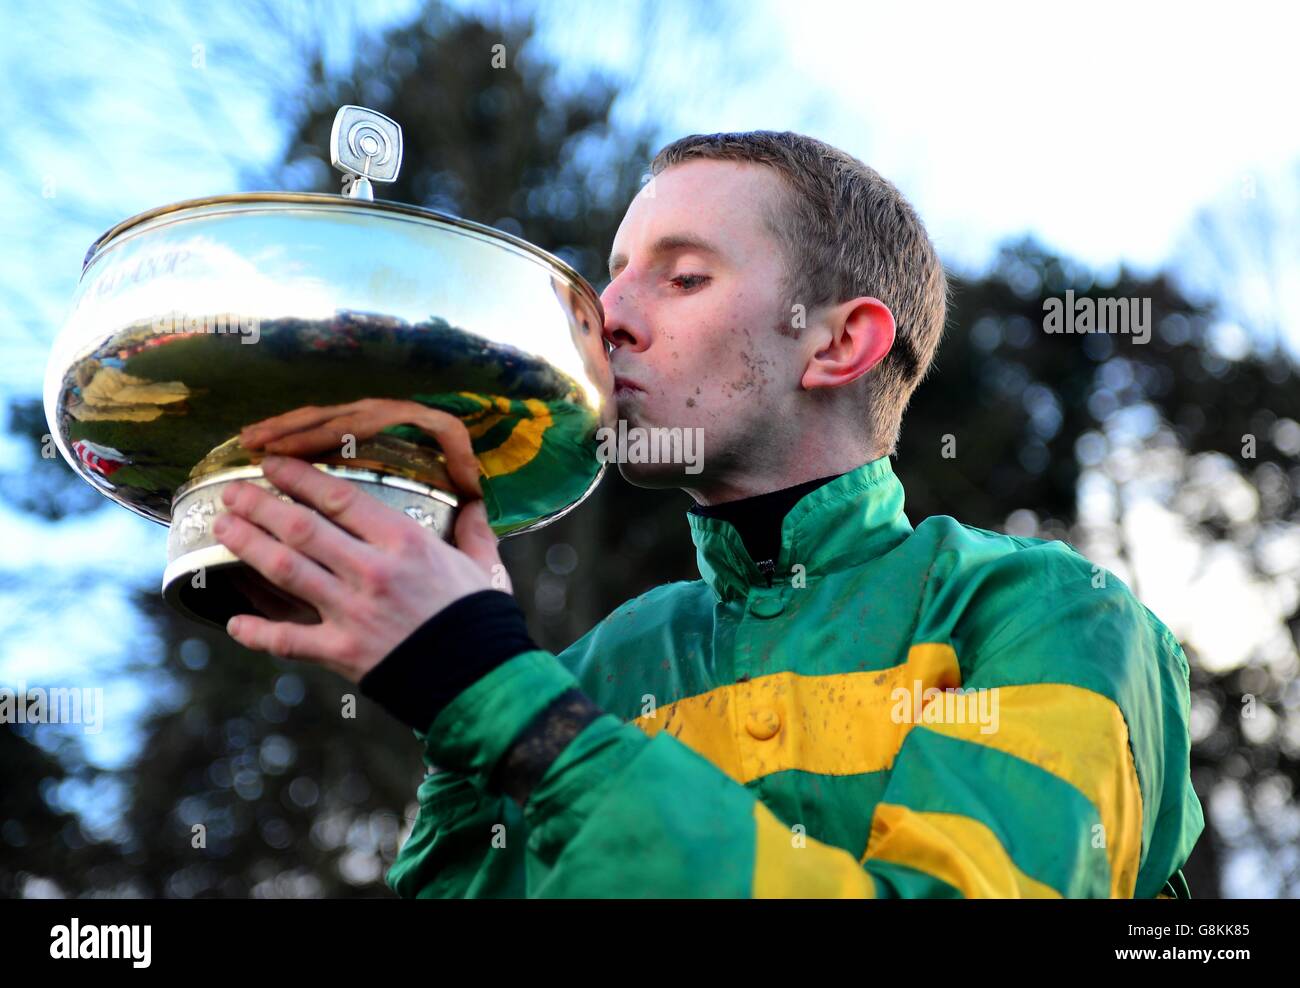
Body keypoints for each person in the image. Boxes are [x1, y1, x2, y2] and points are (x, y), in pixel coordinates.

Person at [219, 131, 1204, 898]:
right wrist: (455, 709)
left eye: (682, 275)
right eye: (614, 269)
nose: (606, 313)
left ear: (836, 344)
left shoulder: (1049, 614)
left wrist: (504, 697)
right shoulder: (601, 660)